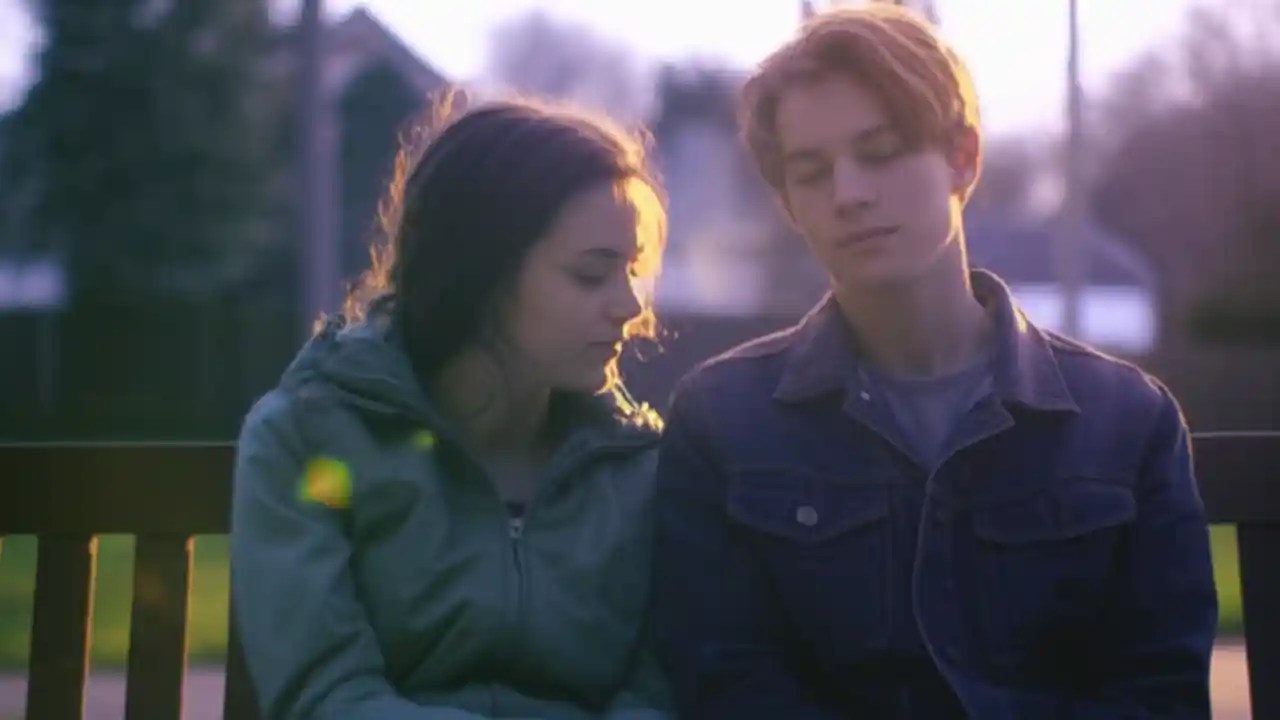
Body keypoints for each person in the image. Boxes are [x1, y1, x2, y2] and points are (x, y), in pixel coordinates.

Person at [651, 6, 1218, 718]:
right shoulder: (722, 421)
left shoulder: (1128, 421)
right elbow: (727, 684)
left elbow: (1157, 691)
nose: (849, 193)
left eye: (880, 151)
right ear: (789, 203)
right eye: (812, 170)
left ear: (963, 159)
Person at [231, 92, 671, 720]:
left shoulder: (637, 464)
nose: (631, 307)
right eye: (591, 274)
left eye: (632, 270)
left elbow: (659, 691)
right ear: (480, 273)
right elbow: (327, 696)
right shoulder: (307, 438)